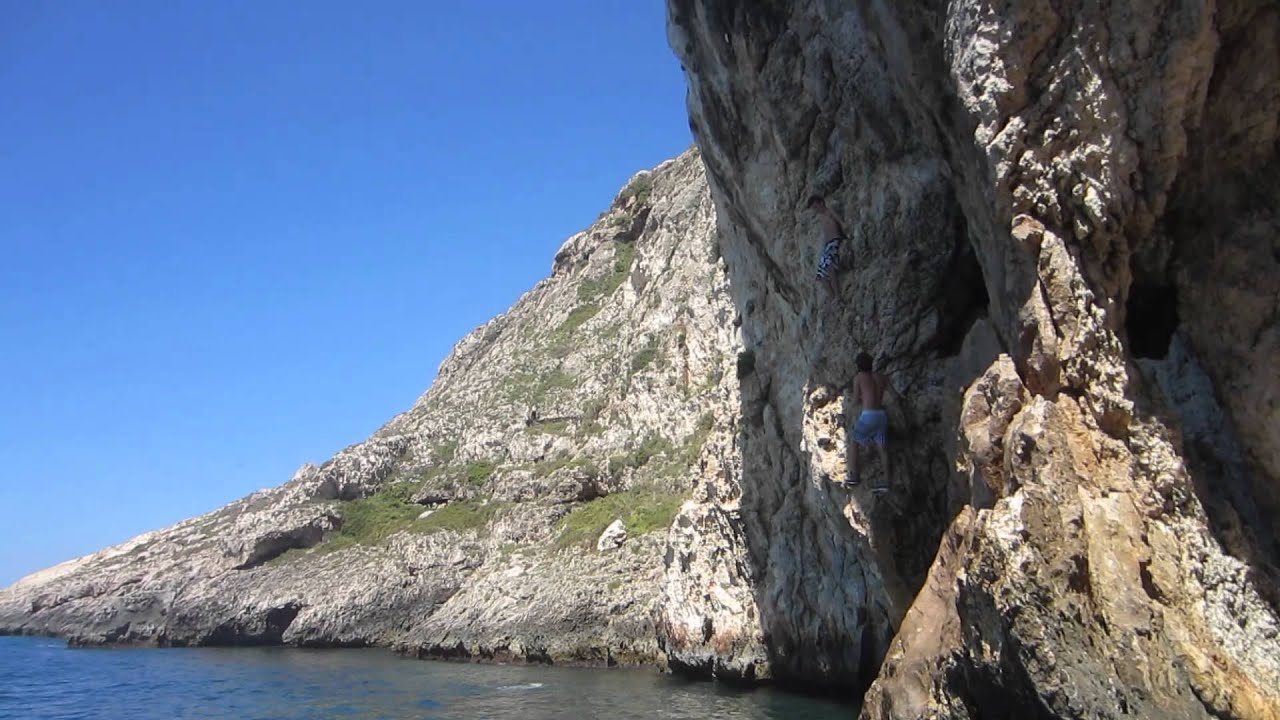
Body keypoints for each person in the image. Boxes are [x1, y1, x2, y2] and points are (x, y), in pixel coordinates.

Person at [845, 351, 892, 491]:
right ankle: (887, 480)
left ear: (858, 366)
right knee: (882, 448)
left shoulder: (859, 378)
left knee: (854, 442)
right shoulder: (882, 377)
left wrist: (859, 399)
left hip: (868, 416)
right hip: (882, 416)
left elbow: (855, 400)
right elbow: (895, 395)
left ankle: (853, 475)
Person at [807, 195, 850, 302]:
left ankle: (838, 296)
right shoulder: (821, 218)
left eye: (816, 207)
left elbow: (841, 222)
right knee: (820, 277)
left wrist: (846, 232)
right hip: (827, 246)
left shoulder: (830, 212)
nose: (815, 210)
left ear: (821, 203)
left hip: (835, 242)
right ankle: (832, 299)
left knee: (830, 268)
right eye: (813, 208)